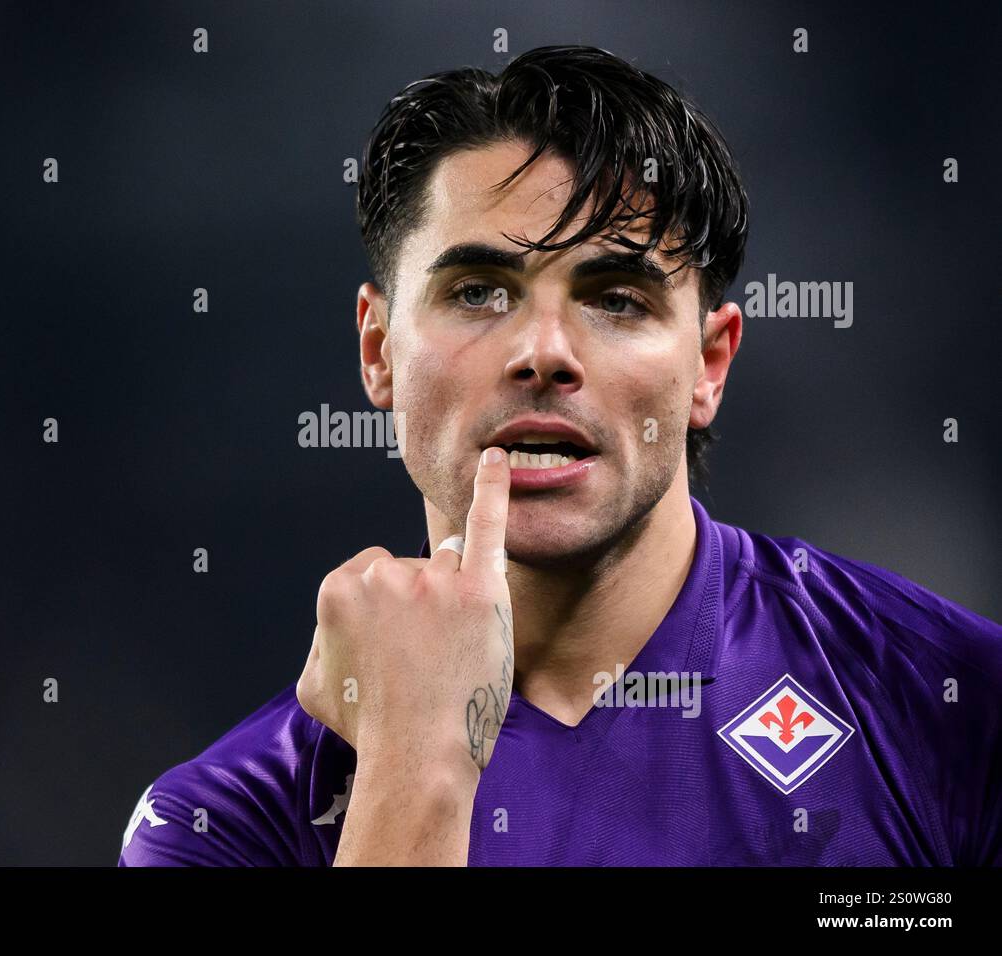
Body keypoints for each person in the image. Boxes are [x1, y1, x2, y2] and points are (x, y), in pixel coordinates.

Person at [119, 45, 1001, 866]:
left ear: (709, 364)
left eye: (616, 299)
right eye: (476, 292)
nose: (544, 351)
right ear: (379, 351)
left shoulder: (954, 707)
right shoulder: (225, 823)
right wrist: (412, 774)